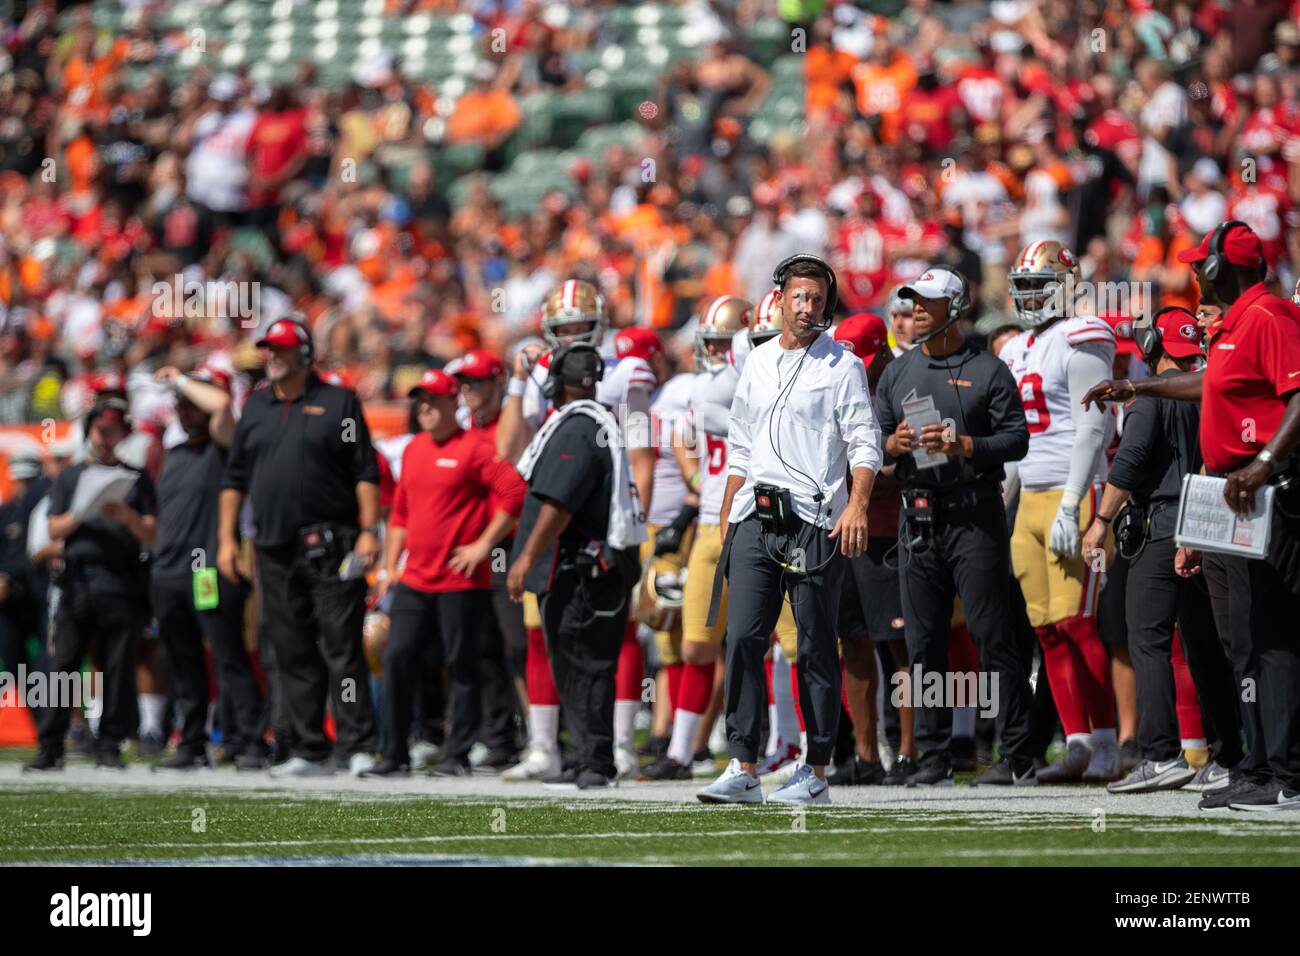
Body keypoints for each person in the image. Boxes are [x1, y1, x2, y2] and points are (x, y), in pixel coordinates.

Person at [1084, 220, 1300, 811]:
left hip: (1263, 492)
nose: (1193, 273)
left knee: (1270, 634)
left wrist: (1262, 464)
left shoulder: (1271, 316)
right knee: (1242, 637)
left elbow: (1299, 396)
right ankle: (1255, 762)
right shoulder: (1236, 323)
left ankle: (1287, 771)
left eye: (1201, 263)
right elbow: (1210, 385)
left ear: (1221, 268)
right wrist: (1142, 390)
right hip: (1229, 492)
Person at [698, 254, 882, 806]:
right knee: (744, 639)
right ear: (779, 300)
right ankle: (744, 764)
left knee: (815, 646)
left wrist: (858, 505)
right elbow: (741, 446)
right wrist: (727, 518)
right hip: (756, 516)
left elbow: (864, 442)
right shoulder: (755, 362)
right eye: (798, 298)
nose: (807, 309)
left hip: (814, 520)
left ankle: (817, 769)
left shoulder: (841, 365)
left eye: (818, 300)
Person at [873, 267, 1037, 786]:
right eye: (911, 301)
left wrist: (966, 446)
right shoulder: (898, 373)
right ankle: (933, 755)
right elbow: (871, 444)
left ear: (956, 307)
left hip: (974, 512)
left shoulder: (988, 369)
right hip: (917, 515)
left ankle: (1016, 755)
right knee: (923, 643)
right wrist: (892, 448)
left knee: (993, 636)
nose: (915, 310)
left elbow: (1017, 440)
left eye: (926, 302)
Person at [1079, 308, 1244, 794]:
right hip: (1207, 522)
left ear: (1153, 346)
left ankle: (1160, 753)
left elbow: (1128, 464)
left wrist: (1100, 522)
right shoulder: (1211, 388)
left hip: (1160, 525)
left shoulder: (1149, 395)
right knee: (1204, 645)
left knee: (1147, 639)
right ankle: (1229, 752)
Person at [496, 280, 656, 780]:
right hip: (558, 537)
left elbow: (641, 456)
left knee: (605, 643)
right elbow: (510, 449)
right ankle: (554, 746)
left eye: (581, 327)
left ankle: (613, 746)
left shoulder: (621, 372)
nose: (573, 337)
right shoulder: (544, 374)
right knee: (554, 641)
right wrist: (519, 382)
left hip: (598, 528)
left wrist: (631, 526)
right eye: (563, 329)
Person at [218, 317, 381, 778]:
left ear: (304, 355)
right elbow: (234, 479)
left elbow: (363, 470)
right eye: (269, 349)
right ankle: (308, 747)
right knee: (290, 648)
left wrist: (369, 531)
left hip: (332, 543)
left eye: (282, 350)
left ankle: (356, 744)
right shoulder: (255, 408)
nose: (272, 357)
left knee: (341, 646)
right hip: (272, 545)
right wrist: (226, 539)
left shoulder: (338, 402)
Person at [1000, 240, 1121, 782]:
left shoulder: (1083, 334)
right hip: (1029, 495)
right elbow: (1013, 441)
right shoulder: (1016, 347)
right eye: (1022, 286)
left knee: (1079, 622)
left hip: (1077, 491)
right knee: (1047, 627)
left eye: (1038, 285)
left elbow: (1092, 427)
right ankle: (1075, 744)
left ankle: (1107, 744)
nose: (1028, 296)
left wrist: (1074, 505)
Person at [370, 368, 525, 777]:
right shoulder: (414, 449)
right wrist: (390, 566)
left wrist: (484, 545)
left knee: (462, 665)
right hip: (416, 578)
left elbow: (513, 491)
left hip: (460, 580)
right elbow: (400, 512)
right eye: (420, 401)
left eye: (433, 400)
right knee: (398, 656)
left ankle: (456, 755)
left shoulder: (474, 447)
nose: (425, 408)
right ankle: (394, 753)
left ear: (451, 403)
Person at [26, 398, 157, 772]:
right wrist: (81, 513)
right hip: (77, 580)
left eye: (113, 430)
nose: (106, 438)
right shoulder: (70, 476)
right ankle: (51, 744)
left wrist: (127, 516)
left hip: (120, 580)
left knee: (117, 666)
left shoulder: (136, 477)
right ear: (91, 432)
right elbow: (53, 528)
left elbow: (152, 532)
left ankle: (110, 743)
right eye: (101, 430)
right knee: (63, 664)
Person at [151, 366, 268, 771]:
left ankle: (251, 740)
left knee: (228, 655)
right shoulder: (175, 454)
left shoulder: (227, 447)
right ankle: (192, 742)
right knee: (182, 663)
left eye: (191, 402)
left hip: (207, 571)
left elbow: (220, 406)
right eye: (180, 404)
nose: (185, 409)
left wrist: (181, 379)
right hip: (169, 572)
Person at [827, 312, 902, 786]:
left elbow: (921, 458)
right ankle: (866, 754)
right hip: (841, 530)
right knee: (853, 642)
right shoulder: (830, 383)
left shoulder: (903, 386)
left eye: (867, 359)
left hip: (891, 528)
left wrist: (888, 455)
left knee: (900, 644)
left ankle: (912, 752)